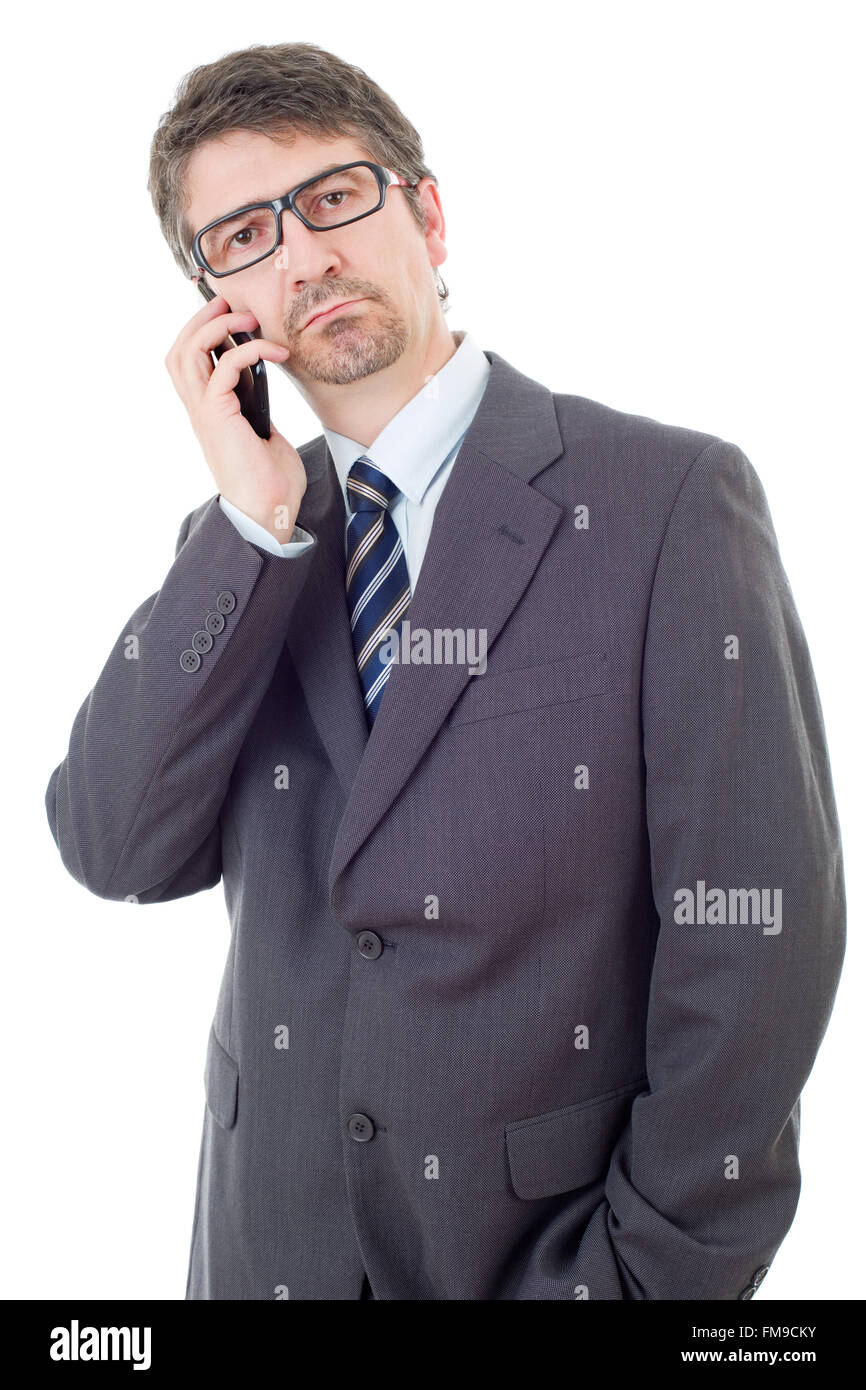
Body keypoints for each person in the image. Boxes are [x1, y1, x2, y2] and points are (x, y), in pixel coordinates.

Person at [45, 41, 846, 1301]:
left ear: (425, 213)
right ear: (218, 309)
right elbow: (111, 846)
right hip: (263, 1264)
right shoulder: (247, 543)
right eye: (244, 236)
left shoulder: (664, 499)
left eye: (332, 197)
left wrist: (646, 1277)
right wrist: (251, 528)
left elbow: (757, 937)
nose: (302, 256)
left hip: (541, 1262)